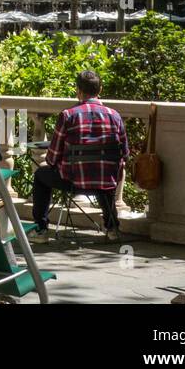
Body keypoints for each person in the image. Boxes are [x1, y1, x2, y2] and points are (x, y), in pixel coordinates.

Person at [29, 70, 129, 243]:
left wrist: (55, 164)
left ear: (78, 91)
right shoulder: (115, 116)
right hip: (105, 182)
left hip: (72, 181)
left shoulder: (68, 115)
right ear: (100, 89)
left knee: (40, 175)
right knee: (104, 176)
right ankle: (112, 228)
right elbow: (125, 154)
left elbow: (52, 157)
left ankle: (41, 229)